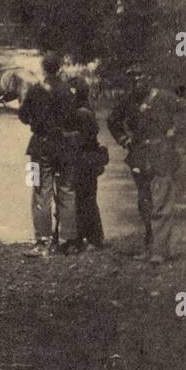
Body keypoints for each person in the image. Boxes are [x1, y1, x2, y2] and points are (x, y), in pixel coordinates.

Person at [107, 64, 186, 264]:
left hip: (162, 153)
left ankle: (160, 251)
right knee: (144, 202)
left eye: (140, 77)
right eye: (132, 78)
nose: (136, 81)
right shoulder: (128, 100)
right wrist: (124, 139)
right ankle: (148, 246)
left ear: (148, 78)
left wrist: (176, 130)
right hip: (139, 154)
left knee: (162, 202)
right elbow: (112, 121)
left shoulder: (164, 97)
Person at [18, 53, 78, 256]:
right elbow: (73, 117)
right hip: (64, 146)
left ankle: (42, 241)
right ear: (59, 68)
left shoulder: (35, 90)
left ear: (44, 68)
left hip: (39, 146)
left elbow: (23, 117)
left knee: (39, 192)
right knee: (67, 190)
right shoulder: (66, 90)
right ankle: (67, 240)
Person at [66, 76, 107, 252]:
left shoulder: (81, 112)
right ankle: (92, 238)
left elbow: (85, 138)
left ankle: (89, 238)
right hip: (87, 158)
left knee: (84, 199)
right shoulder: (86, 110)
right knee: (87, 199)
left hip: (82, 159)